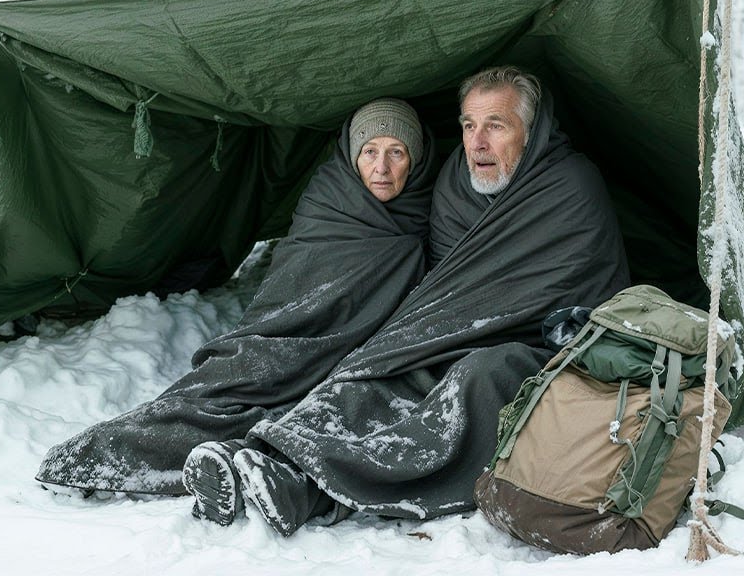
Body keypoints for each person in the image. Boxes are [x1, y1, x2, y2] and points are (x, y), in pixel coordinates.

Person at [187, 65, 631, 536]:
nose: (477, 143)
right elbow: (445, 285)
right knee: (379, 368)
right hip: (449, 332)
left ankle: (306, 489)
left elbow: (589, 291)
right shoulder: (456, 185)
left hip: (531, 349)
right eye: (468, 126)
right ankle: (268, 456)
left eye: (496, 126)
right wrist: (420, 337)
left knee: (474, 382)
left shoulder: (570, 187)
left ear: (532, 129)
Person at [36, 99, 439, 520]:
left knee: (328, 410)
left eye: (397, 151)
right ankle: (104, 452)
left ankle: (238, 464)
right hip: (287, 336)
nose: (381, 167)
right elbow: (294, 284)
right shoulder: (328, 199)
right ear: (352, 153)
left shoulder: (430, 210)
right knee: (231, 385)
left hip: (361, 355)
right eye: (370, 151)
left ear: (417, 157)